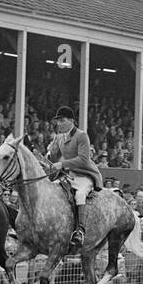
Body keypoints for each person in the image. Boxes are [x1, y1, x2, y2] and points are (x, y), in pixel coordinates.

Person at [45, 105, 103, 249]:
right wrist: (49, 153)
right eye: (57, 121)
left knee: (80, 195)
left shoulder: (82, 135)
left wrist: (62, 164)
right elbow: (53, 159)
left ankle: (80, 231)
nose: (59, 124)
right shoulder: (59, 138)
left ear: (71, 121)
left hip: (84, 174)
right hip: (69, 175)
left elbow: (83, 159)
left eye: (62, 120)